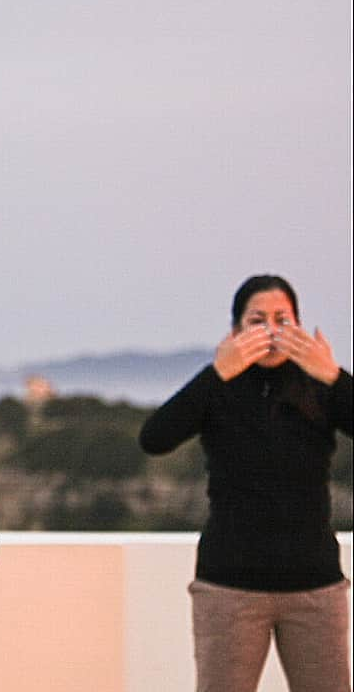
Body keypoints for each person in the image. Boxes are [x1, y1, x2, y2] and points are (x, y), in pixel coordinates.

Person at [140, 275, 352, 692]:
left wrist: (334, 376)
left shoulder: (321, 386)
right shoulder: (219, 388)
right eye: (257, 320)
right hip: (229, 588)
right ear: (236, 330)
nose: (271, 330)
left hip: (315, 587)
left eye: (282, 319)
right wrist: (217, 373)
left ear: (299, 326)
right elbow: (155, 438)